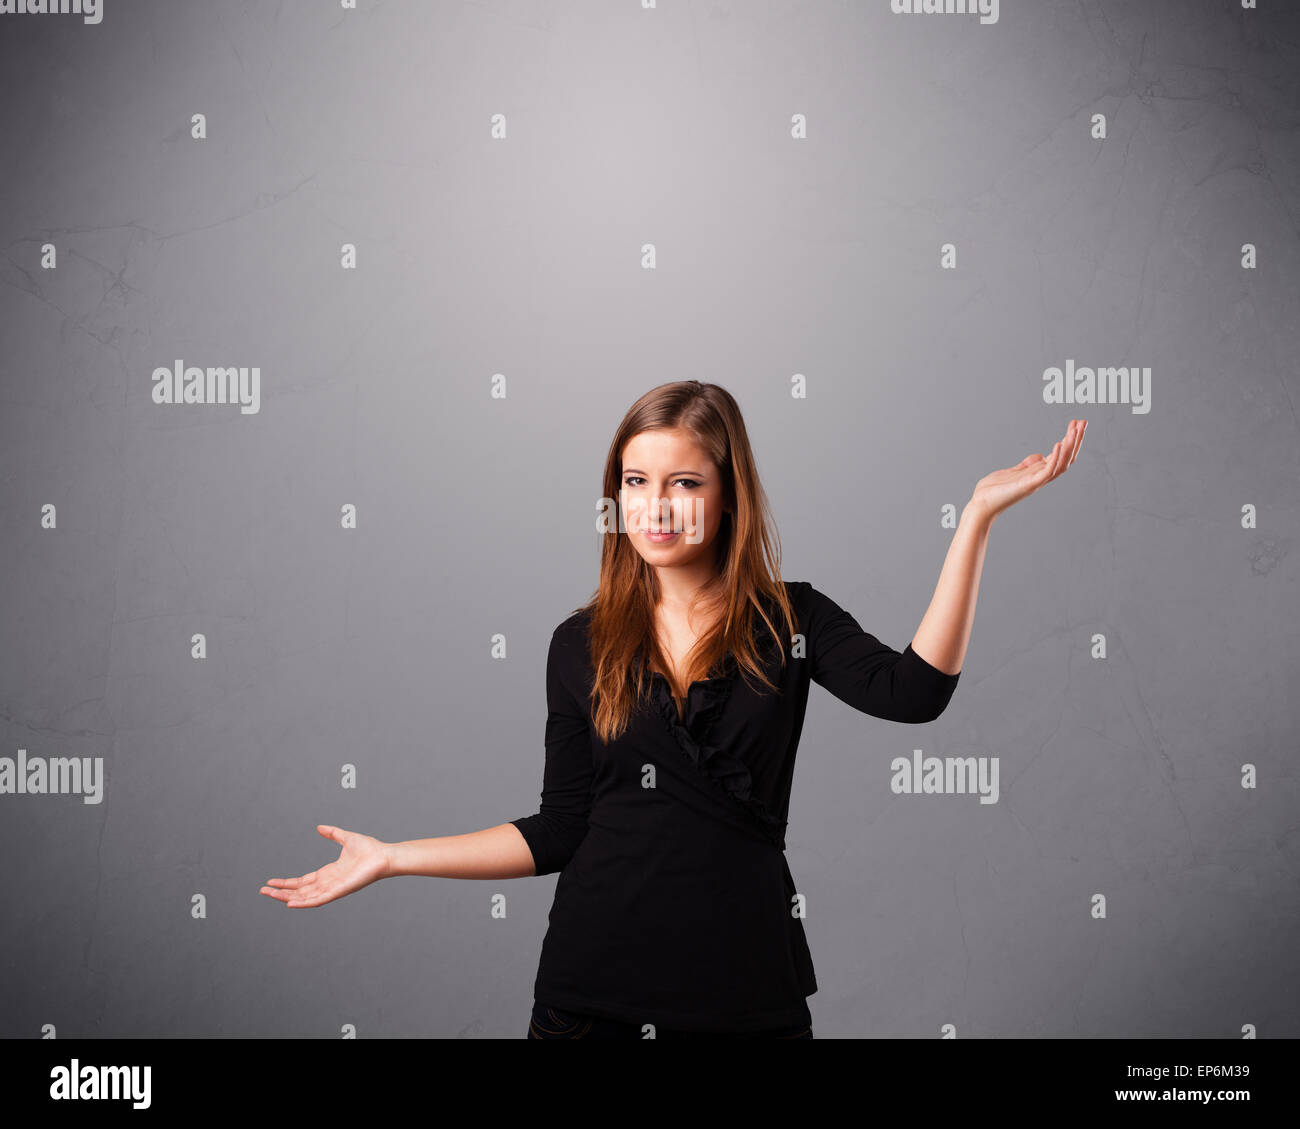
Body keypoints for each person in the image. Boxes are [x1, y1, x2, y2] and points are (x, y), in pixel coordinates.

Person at [260, 381, 1086, 1039]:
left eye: (683, 482)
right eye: (634, 481)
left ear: (728, 494)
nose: (653, 507)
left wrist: (974, 519)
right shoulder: (576, 642)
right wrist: (394, 856)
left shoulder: (790, 619)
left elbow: (915, 694)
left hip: (745, 998)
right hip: (590, 1003)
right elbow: (561, 827)